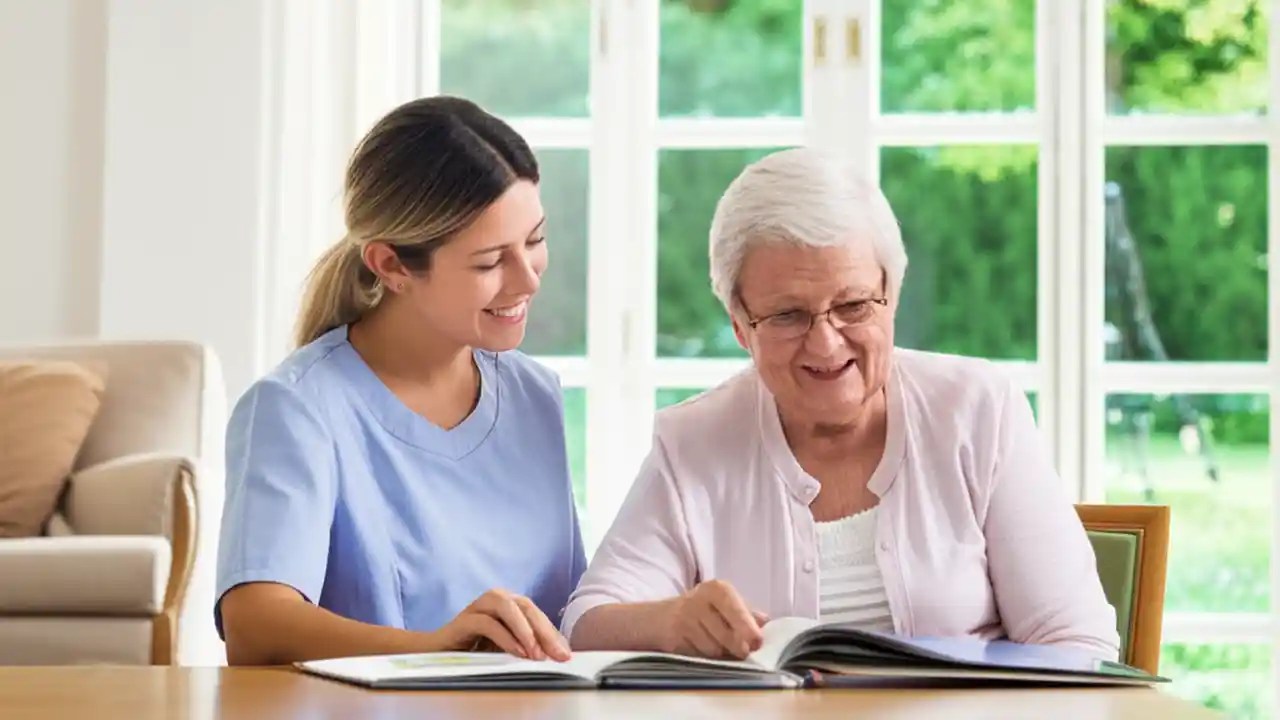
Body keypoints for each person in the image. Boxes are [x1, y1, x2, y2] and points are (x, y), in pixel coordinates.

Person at [562, 148, 1119, 662]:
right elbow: (586, 624)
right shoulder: (693, 442)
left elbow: (1078, 644)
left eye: (852, 305)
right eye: (787, 315)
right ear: (739, 325)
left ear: (890, 296)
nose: (826, 344)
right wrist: (668, 622)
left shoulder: (979, 412)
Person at [215, 96, 584, 666]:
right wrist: (433, 653)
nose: (527, 279)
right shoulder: (298, 409)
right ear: (391, 266)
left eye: (534, 241)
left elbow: (569, 615)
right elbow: (256, 623)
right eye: (489, 262)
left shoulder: (535, 396)